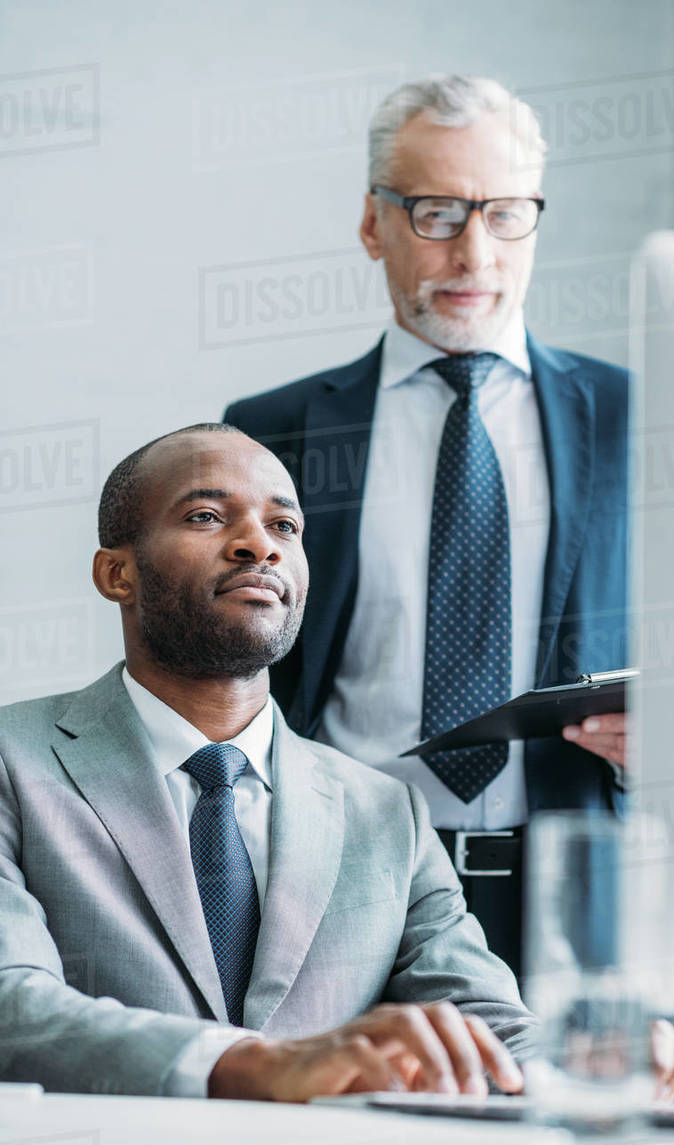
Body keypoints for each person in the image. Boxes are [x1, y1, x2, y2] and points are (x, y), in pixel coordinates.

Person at [0, 425, 674, 1104]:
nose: (258, 546)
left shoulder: (384, 809)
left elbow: (485, 1024)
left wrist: (593, 1060)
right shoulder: (15, 759)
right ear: (117, 573)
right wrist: (257, 1066)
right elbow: (14, 1005)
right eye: (208, 516)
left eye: (284, 528)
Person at [224, 76, 628, 976]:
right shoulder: (272, 432)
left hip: (571, 890)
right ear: (373, 223)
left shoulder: (634, 416)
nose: (472, 252)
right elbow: (234, 669)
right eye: (436, 212)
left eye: (506, 212)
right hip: (345, 886)